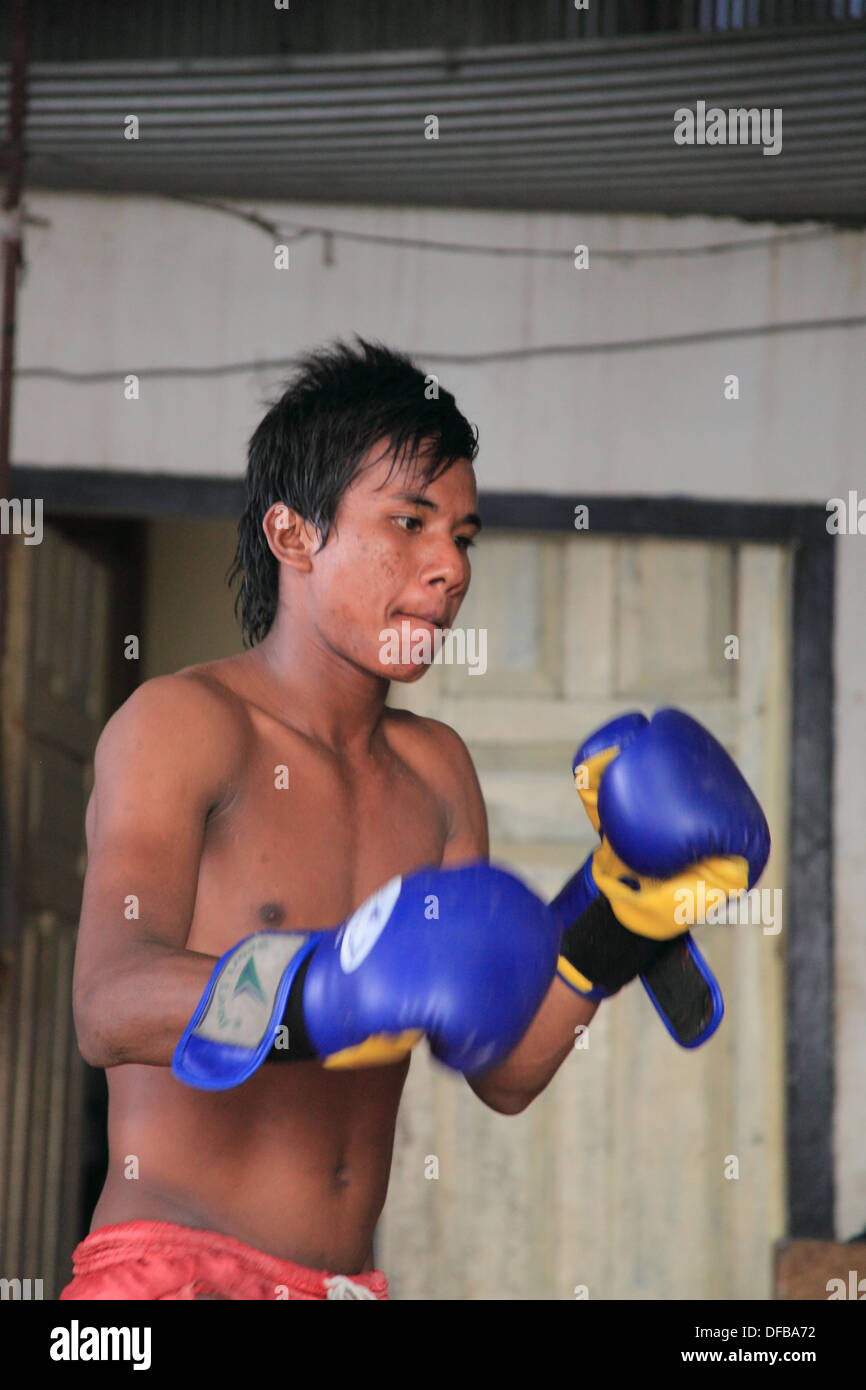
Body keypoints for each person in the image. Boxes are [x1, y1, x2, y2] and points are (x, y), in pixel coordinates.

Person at [63, 337, 768, 1301]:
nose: (448, 567)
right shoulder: (183, 726)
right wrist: (331, 985)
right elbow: (107, 1003)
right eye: (408, 521)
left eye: (463, 536)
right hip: (174, 1278)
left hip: (348, 1286)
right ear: (292, 534)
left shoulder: (436, 771)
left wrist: (624, 912)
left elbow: (506, 1071)